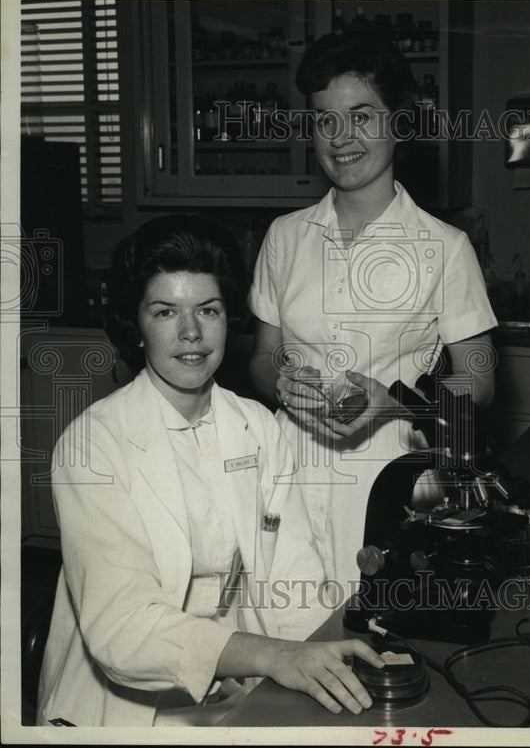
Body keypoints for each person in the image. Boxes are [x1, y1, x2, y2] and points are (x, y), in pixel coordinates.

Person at [36, 215, 385, 728]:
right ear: (136, 325)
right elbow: (123, 629)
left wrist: (331, 657)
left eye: (208, 309)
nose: (192, 333)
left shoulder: (258, 428)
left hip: (231, 689)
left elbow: (294, 581)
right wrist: (274, 657)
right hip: (123, 708)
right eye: (165, 312)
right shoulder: (93, 445)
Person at [248, 34, 498, 600]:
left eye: (361, 116)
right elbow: (262, 356)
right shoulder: (284, 237)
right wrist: (283, 382)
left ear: (399, 124)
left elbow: (479, 383)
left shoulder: (446, 247)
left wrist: (394, 401)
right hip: (287, 470)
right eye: (325, 120)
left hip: (394, 476)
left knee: (377, 623)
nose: (341, 137)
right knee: (282, 620)